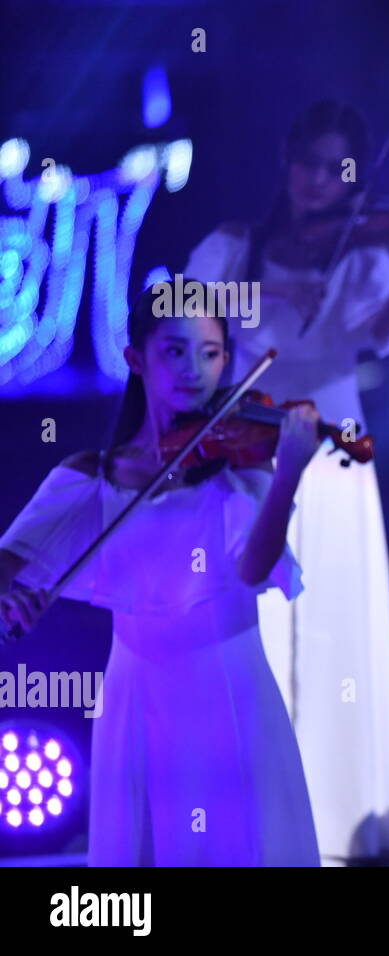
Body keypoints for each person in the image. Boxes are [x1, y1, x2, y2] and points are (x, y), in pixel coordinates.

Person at [181, 100, 389, 862]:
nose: (317, 183)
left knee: (334, 618)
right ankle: (252, 811)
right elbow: (176, 309)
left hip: (337, 443)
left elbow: (380, 333)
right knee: (250, 623)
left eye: (335, 169)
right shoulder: (237, 245)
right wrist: (270, 297)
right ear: (287, 166)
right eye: (306, 165)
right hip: (247, 446)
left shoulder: (362, 253)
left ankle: (336, 818)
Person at [0, 288, 321, 865]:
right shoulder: (88, 476)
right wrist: (9, 598)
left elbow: (252, 568)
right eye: (174, 352)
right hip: (137, 689)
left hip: (228, 685)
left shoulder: (241, 468)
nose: (195, 371)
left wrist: (288, 477)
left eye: (211, 353)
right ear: (135, 359)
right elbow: (6, 563)